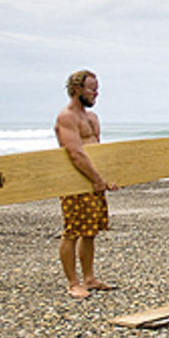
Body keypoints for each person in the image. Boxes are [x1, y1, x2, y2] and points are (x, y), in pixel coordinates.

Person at [54, 69, 119, 299]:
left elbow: (98, 152)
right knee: (73, 231)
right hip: (74, 181)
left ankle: (89, 278)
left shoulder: (92, 118)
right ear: (76, 89)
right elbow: (75, 153)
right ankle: (73, 283)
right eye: (92, 88)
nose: (96, 93)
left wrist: (106, 178)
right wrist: (96, 179)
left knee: (90, 231)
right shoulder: (66, 117)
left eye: (97, 88)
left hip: (93, 181)